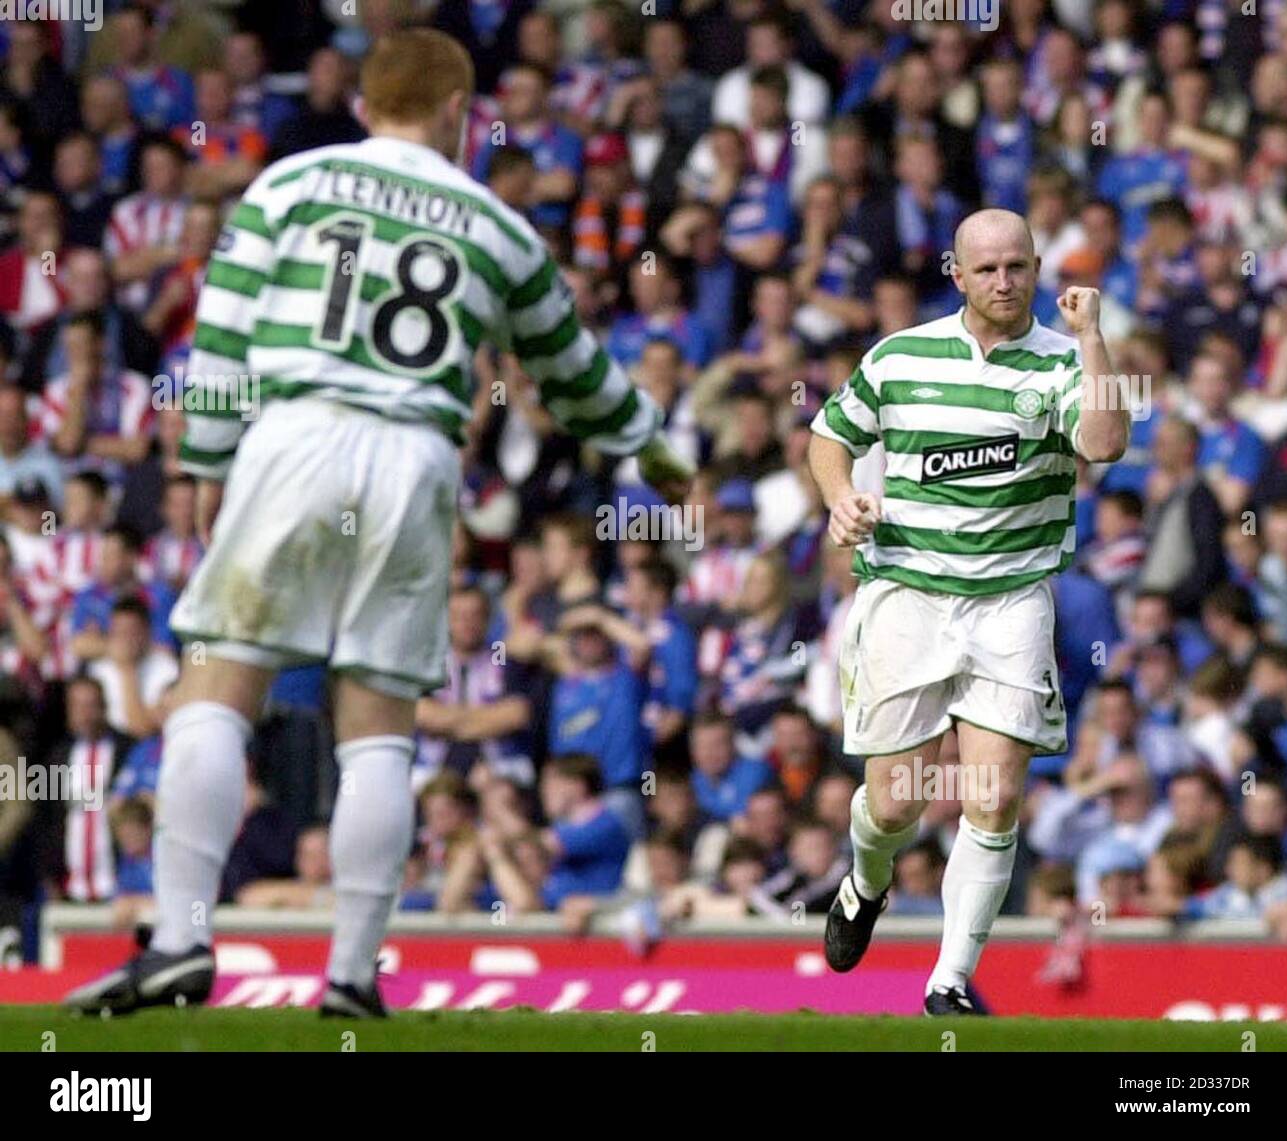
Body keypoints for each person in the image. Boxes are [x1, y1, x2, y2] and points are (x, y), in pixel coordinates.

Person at [65, 28, 693, 1020]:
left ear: (365, 104)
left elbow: (222, 327)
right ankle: (353, 977)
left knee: (217, 689)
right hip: (415, 459)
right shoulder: (498, 225)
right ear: (457, 111)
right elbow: (575, 374)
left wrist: (204, 465)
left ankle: (182, 939)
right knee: (378, 729)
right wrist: (657, 449)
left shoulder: (289, 183)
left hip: (296, 436)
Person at [806, 207, 1129, 1014]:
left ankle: (949, 980)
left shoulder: (1060, 362)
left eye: (1018, 266)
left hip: (1010, 601)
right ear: (957, 275)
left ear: (1037, 266)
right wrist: (841, 497)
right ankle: (867, 879)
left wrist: (1094, 340)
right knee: (896, 803)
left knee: (991, 795)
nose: (1005, 281)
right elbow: (828, 434)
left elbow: (1104, 442)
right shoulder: (900, 354)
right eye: (986, 269)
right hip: (909, 595)